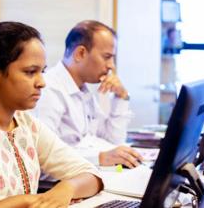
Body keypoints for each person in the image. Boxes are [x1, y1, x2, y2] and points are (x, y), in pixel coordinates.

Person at [0, 21, 103, 208]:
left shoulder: (26, 124)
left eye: (42, 71)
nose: (42, 82)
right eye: (30, 72)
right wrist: (26, 200)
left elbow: (91, 174)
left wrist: (67, 188)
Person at [32, 20, 143, 169]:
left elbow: (113, 140)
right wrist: (100, 158)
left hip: (88, 174)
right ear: (80, 53)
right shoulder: (49, 90)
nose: (111, 66)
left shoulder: (82, 90)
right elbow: (42, 157)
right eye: (107, 57)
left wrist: (121, 97)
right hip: (62, 183)